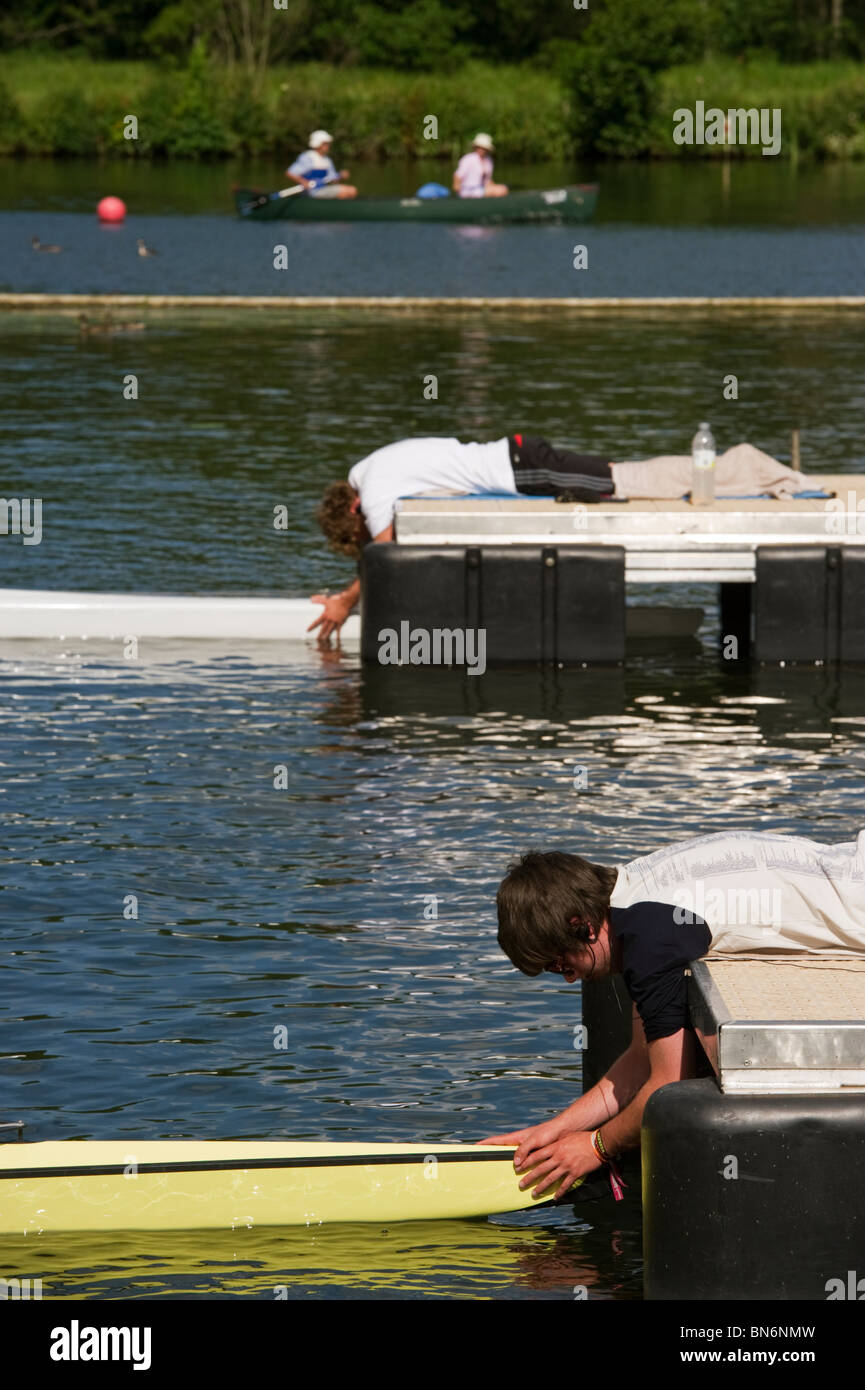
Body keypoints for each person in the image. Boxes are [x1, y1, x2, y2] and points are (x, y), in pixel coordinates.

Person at [478, 830, 865, 1201]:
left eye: (559, 962)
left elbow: (666, 1084)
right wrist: (551, 1131)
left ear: (581, 926)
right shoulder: (634, 896)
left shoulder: (651, 939)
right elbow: (638, 1059)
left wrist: (595, 1148)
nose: (567, 977)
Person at [309, 434, 614, 642]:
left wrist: (346, 601)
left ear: (354, 508)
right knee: (614, 480)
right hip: (518, 464)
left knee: (619, 480)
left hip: (522, 468)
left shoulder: (374, 488)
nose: (368, 539)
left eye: (361, 533)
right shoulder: (375, 470)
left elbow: (383, 555)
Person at [287, 130, 357, 200]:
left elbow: (332, 179)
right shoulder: (307, 157)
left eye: (328, 144)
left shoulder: (327, 160)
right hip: (310, 192)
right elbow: (290, 173)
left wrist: (341, 175)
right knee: (351, 190)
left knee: (346, 193)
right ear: (318, 144)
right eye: (325, 144)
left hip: (322, 190)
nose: (328, 146)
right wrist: (304, 182)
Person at [453, 133, 508, 199]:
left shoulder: (489, 160)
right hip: (468, 190)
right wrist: (457, 189)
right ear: (476, 147)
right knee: (497, 191)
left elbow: (488, 180)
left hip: (482, 188)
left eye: (483, 148)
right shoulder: (468, 159)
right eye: (479, 147)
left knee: (503, 188)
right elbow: (458, 175)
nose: (481, 149)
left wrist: (493, 187)